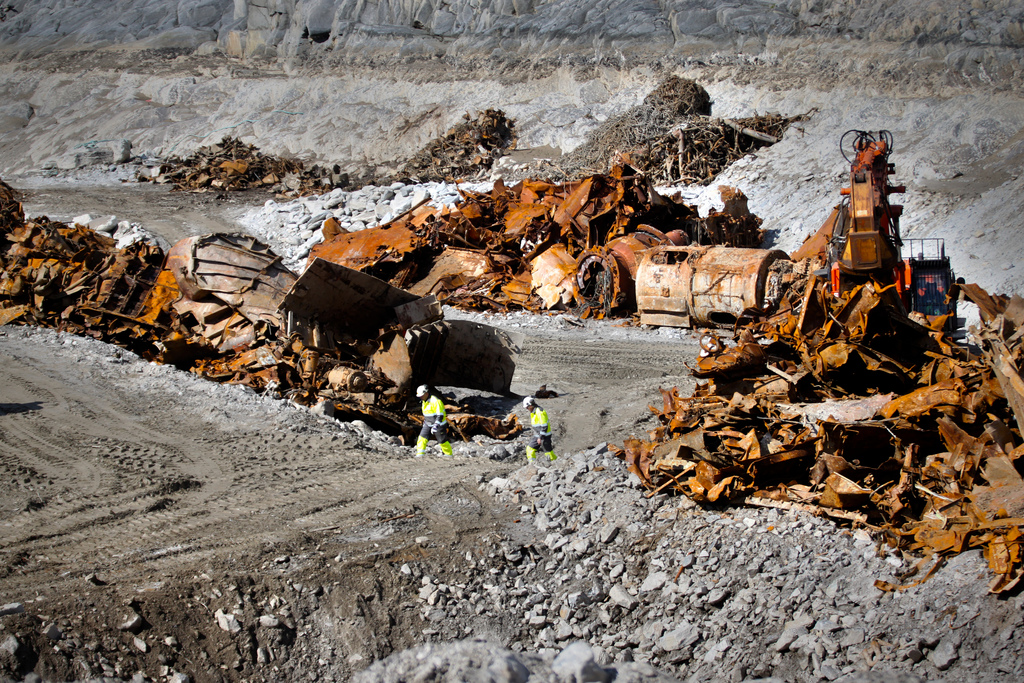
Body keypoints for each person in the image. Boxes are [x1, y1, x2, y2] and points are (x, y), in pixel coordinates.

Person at [415, 385, 453, 457]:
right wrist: (425, 422)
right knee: (422, 438)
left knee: (442, 441)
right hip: (428, 423)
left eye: (421, 396)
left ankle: (449, 455)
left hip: (439, 424)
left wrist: (436, 425)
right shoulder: (424, 401)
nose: (420, 397)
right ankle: (420, 455)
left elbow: (440, 415)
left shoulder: (435, 401)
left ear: (426, 393)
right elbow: (427, 413)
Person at [523, 396, 556, 463]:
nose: (527, 409)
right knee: (529, 449)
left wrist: (540, 437)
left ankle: (555, 463)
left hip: (544, 436)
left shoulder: (539, 412)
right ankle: (532, 464)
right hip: (538, 435)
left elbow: (544, 426)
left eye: (527, 407)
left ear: (530, 405)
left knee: (548, 452)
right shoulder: (534, 412)